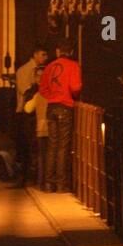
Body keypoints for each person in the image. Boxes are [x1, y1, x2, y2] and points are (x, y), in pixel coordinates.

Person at [38, 41, 82, 193]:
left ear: (58, 51)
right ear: (71, 51)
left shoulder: (50, 67)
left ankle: (49, 183)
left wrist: (53, 96)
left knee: (52, 145)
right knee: (63, 146)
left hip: (51, 107)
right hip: (65, 106)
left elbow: (42, 88)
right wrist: (71, 96)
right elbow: (75, 87)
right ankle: (61, 184)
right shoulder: (73, 65)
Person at [14, 45, 48, 179]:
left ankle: (31, 175)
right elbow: (23, 89)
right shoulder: (25, 70)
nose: (45, 58)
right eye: (43, 54)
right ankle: (26, 175)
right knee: (26, 146)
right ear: (35, 54)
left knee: (32, 146)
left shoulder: (37, 70)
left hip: (33, 113)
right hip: (25, 112)